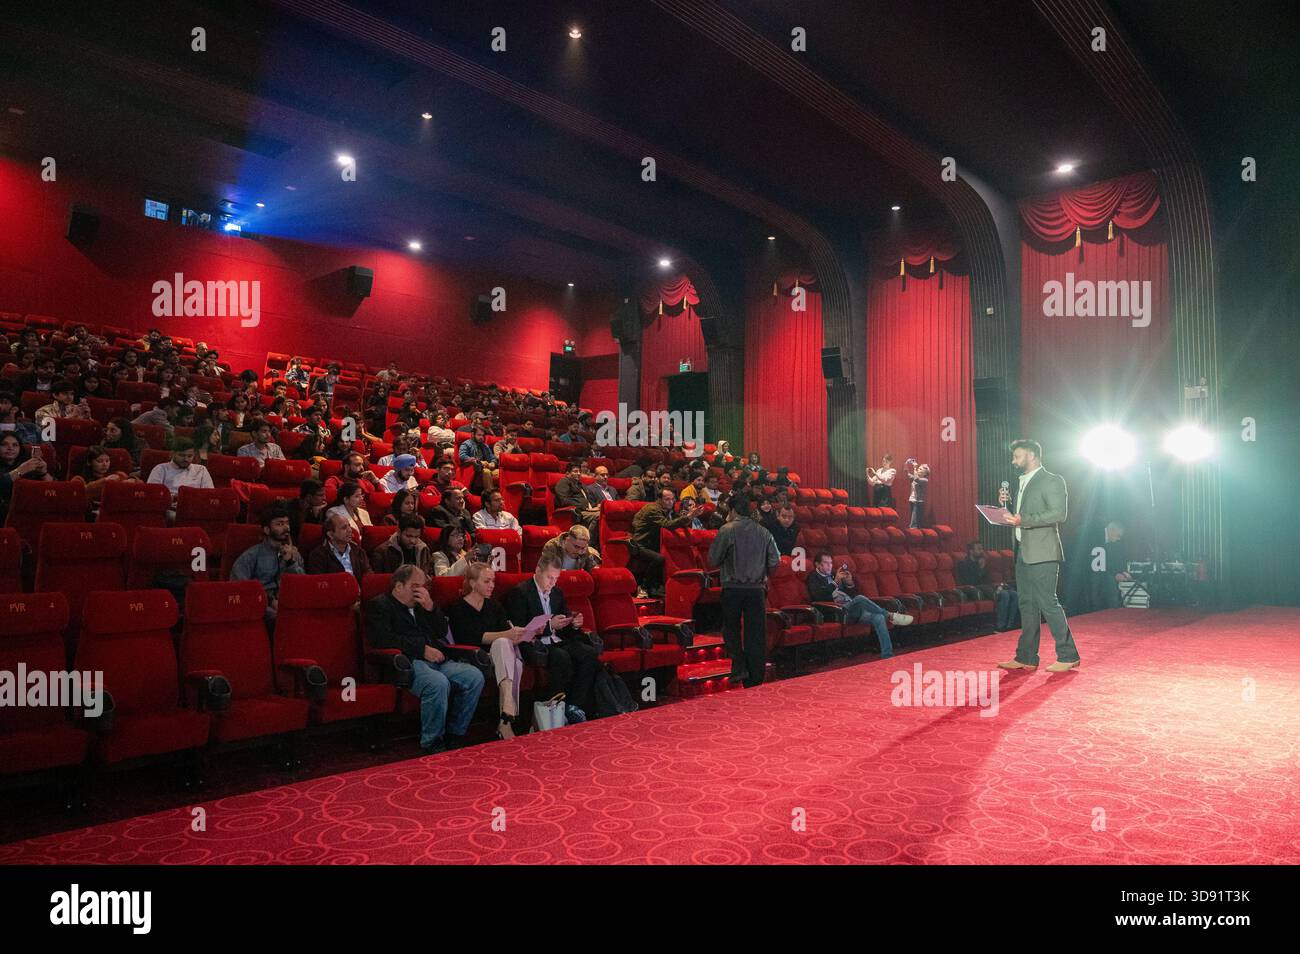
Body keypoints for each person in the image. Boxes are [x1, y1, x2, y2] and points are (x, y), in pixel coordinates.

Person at [364, 565, 484, 753]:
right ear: (398, 587)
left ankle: (455, 734)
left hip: (438, 660)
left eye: (423, 586)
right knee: (438, 683)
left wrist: (430, 607)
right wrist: (421, 650)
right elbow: (382, 639)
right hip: (407, 662)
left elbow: (441, 631)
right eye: (415, 586)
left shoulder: (422, 604)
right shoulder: (379, 605)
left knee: (474, 676)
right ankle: (432, 742)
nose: (421, 590)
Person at [998, 439, 1080, 673]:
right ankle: (1026, 657)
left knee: (1048, 602)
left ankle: (1068, 655)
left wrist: (1024, 520)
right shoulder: (1022, 482)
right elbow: (1022, 515)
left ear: (1032, 455)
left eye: (1017, 456)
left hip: (1043, 551)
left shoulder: (1052, 480)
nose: (1014, 460)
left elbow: (1058, 513)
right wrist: (1006, 505)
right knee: (1027, 604)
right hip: (1023, 551)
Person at [504, 553, 599, 717]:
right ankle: (554, 709)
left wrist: (573, 623)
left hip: (558, 640)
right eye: (549, 577)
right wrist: (549, 626)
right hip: (536, 645)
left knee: (589, 654)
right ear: (537, 570)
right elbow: (519, 629)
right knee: (561, 657)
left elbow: (563, 622)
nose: (552, 583)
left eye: (556, 578)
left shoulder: (557, 592)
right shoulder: (520, 592)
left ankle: (575, 706)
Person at [446, 563, 528, 740]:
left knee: (502, 644)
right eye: (486, 581)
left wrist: (521, 634)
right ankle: (506, 714)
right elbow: (469, 637)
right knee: (502, 644)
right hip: (474, 657)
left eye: (493, 581)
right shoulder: (457, 607)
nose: (492, 585)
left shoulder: (495, 606)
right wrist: (507, 635)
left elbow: (506, 635)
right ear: (473, 583)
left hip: (500, 656)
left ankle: (505, 721)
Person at [708, 492, 780, 687]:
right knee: (755, 633)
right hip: (757, 589)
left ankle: (739, 666)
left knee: (731, 629)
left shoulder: (727, 529)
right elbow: (775, 560)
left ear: (732, 510)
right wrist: (763, 573)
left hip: (733, 588)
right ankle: (755, 677)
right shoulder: (764, 532)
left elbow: (713, 559)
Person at [807, 552, 913, 659]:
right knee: (860, 599)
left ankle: (887, 655)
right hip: (837, 612)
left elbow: (852, 595)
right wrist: (836, 582)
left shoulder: (834, 574)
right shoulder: (813, 577)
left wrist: (849, 583)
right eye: (826, 563)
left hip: (851, 608)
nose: (829, 566)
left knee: (878, 617)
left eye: (830, 563)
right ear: (817, 565)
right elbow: (819, 596)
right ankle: (890, 615)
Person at [230, 501, 305, 621]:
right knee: (279, 618)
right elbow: (239, 587)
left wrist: (290, 562)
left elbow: (303, 586)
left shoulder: (294, 555)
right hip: (261, 605)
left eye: (287, 523)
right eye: (279, 524)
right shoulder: (251, 556)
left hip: (290, 604)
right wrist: (269, 601)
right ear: (267, 530)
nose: (286, 528)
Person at [627, 487, 692, 596]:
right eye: (667, 499)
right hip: (641, 543)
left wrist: (689, 516)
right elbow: (667, 525)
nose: (670, 502)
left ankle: (663, 587)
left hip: (655, 543)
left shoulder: (668, 510)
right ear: (659, 499)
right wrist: (688, 517)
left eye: (672, 499)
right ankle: (643, 587)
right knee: (660, 558)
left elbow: (678, 523)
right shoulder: (653, 509)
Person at [0, 432, 52, 524]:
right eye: (4, 444)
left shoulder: (27, 464)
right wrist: (20, 470)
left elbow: (52, 489)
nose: (10, 448)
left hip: (29, 510)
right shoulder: (25, 467)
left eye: (15, 445)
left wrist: (43, 473)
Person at [146, 439, 214, 507]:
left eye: (190, 456)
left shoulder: (201, 470)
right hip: (168, 507)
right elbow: (152, 494)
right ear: (172, 454)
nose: (186, 459)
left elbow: (209, 494)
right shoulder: (160, 469)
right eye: (182, 455)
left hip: (195, 507)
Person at [306, 511, 370, 583]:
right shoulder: (318, 555)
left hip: (359, 592)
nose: (350, 530)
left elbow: (369, 579)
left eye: (349, 526)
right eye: (344, 527)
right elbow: (320, 584)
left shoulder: (359, 552)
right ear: (330, 534)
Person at [73, 444, 133, 513]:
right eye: (100, 461)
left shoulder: (118, 475)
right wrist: (104, 481)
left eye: (107, 461)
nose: (105, 464)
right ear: (89, 462)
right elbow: (80, 495)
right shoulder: (79, 479)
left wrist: (132, 481)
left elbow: (138, 485)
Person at [1090, 521, 1131, 611]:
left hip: (1103, 571)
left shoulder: (1113, 542)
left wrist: (1122, 571)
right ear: (1111, 530)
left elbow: (1114, 559)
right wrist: (1115, 574)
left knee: (1111, 589)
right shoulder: (1095, 536)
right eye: (1118, 536)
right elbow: (1102, 561)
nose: (1119, 539)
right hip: (1092, 573)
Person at [457, 424, 497, 493]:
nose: (481, 437)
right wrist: (478, 461)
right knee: (486, 472)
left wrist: (493, 463)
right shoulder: (466, 444)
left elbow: (492, 457)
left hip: (486, 467)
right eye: (479, 435)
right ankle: (491, 495)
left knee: (498, 473)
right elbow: (462, 456)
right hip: (474, 469)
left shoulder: (485, 445)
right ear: (473, 434)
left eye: (482, 435)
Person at [903, 459, 929, 528]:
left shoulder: (925, 480)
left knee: (914, 523)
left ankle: (914, 534)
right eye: (918, 468)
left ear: (925, 473)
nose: (918, 469)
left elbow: (917, 479)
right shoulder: (915, 477)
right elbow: (907, 473)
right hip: (912, 500)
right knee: (914, 522)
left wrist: (914, 468)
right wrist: (906, 464)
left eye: (920, 469)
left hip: (918, 502)